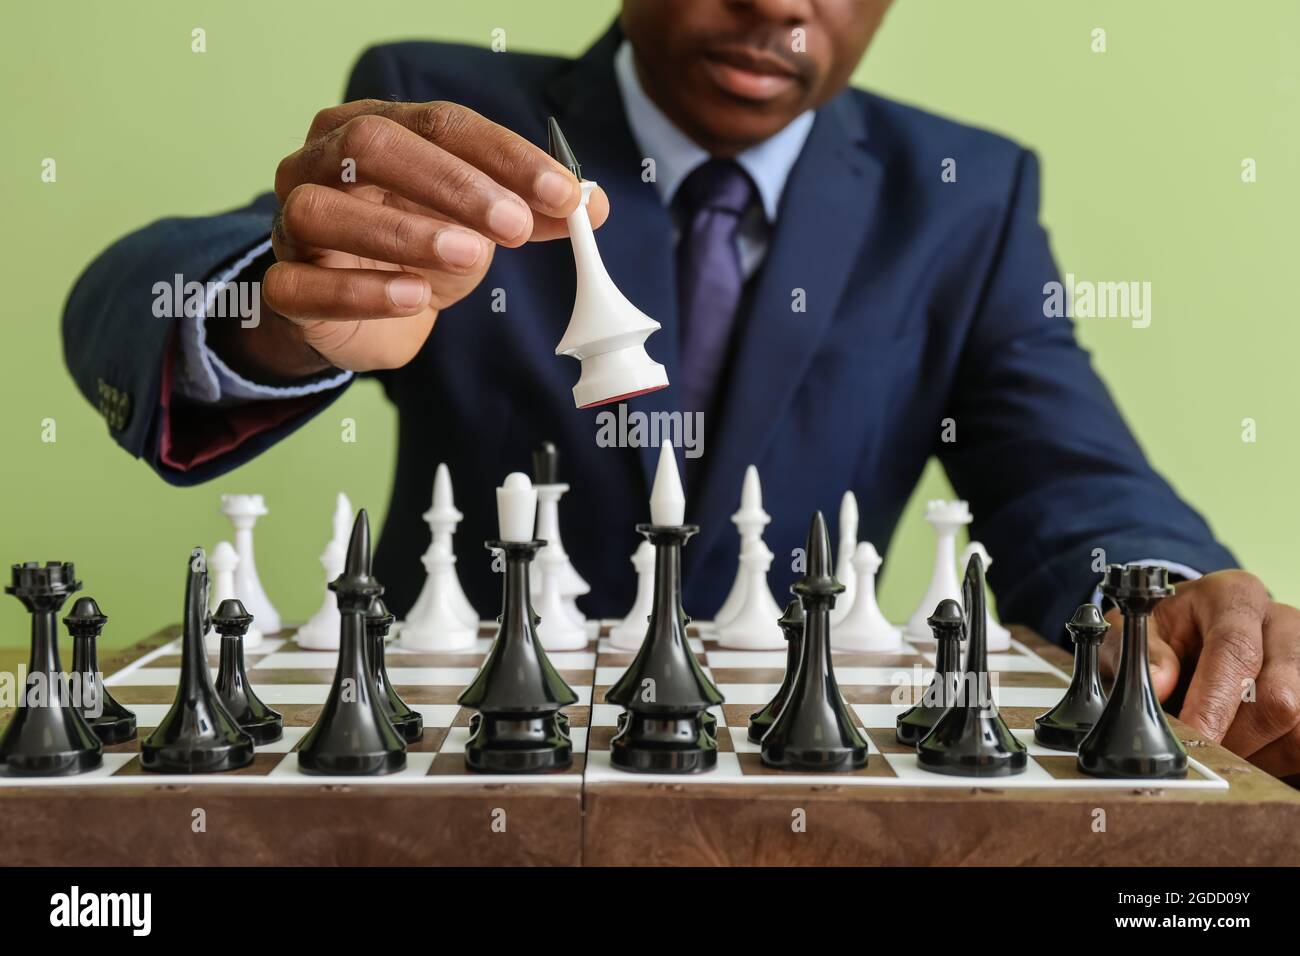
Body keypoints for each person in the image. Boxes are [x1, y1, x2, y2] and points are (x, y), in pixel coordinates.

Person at [62, 0, 1300, 778]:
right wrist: (275, 303)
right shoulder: (455, 114)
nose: (775, 5)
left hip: (800, 794)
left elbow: (1068, 471)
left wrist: (1169, 587)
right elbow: (127, 293)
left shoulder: (965, 198)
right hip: (457, 772)